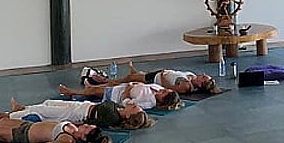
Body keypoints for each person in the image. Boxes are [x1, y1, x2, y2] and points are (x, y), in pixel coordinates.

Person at [0, 97, 153, 130]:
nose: (134, 105)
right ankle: (22, 108)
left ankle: (5, 116)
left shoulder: (113, 115)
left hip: (77, 114)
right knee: (48, 103)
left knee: (44, 112)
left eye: (135, 108)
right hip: (81, 106)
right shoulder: (118, 109)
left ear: (130, 115)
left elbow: (97, 119)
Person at [85, 61, 218, 95]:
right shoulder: (191, 77)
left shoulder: (187, 86)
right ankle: (133, 73)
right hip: (157, 74)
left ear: (200, 84)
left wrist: (163, 76)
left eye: (203, 78)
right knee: (132, 76)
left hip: (155, 79)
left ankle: (99, 84)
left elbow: (169, 88)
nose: (201, 75)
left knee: (124, 80)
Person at [59, 81, 182, 111]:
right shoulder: (158, 88)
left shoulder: (149, 103)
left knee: (93, 92)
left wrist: (128, 91)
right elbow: (145, 85)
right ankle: (81, 93)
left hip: (116, 96)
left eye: (164, 93)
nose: (163, 91)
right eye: (165, 90)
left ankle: (71, 92)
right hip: (121, 87)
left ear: (162, 100)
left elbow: (127, 103)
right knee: (95, 90)